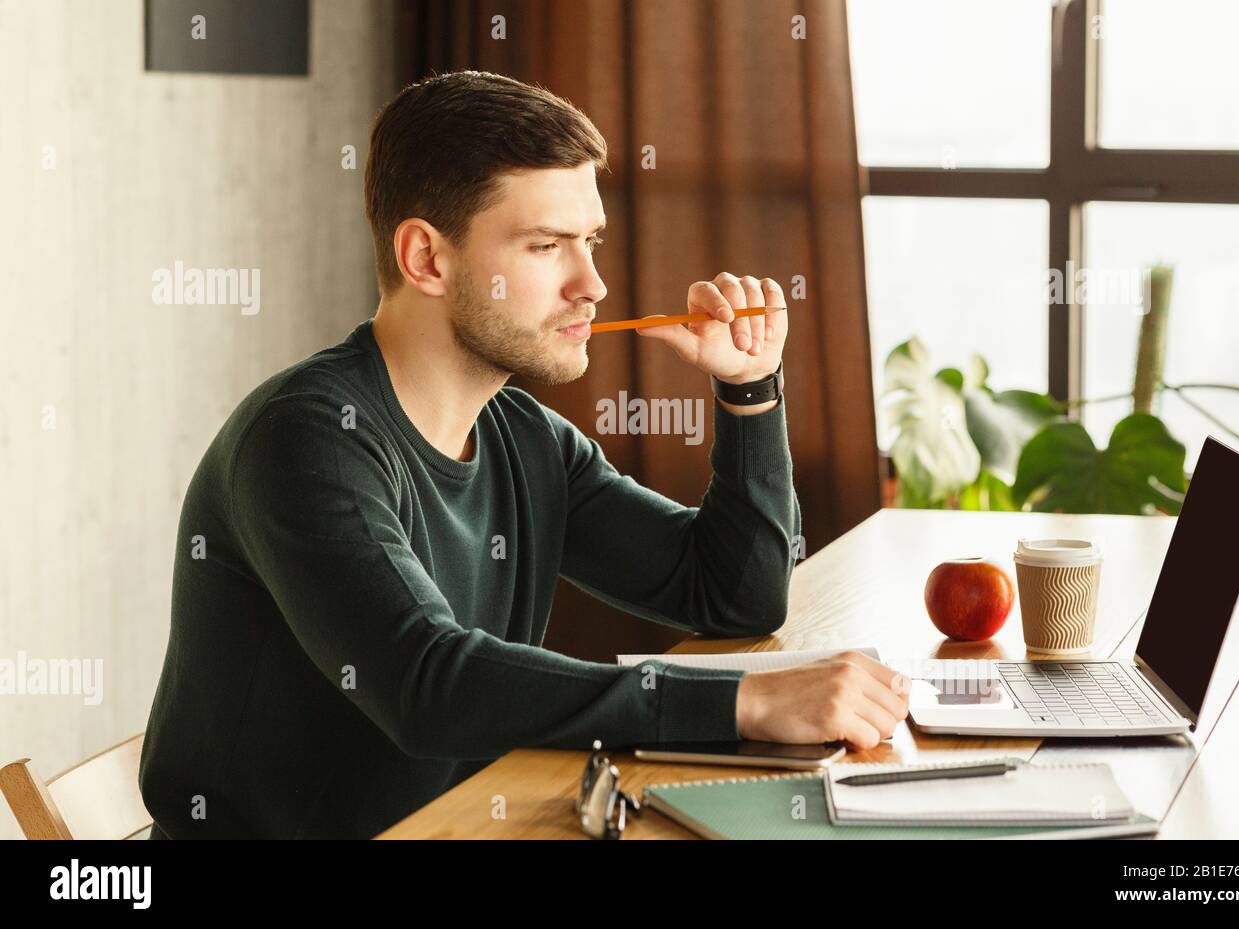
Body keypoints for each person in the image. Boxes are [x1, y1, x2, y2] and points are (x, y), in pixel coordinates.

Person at [139, 69, 910, 839]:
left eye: (590, 242)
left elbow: (732, 593)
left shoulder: (521, 434)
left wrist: (750, 390)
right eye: (546, 246)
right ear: (426, 259)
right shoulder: (305, 441)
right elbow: (428, 685)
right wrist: (744, 702)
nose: (593, 284)